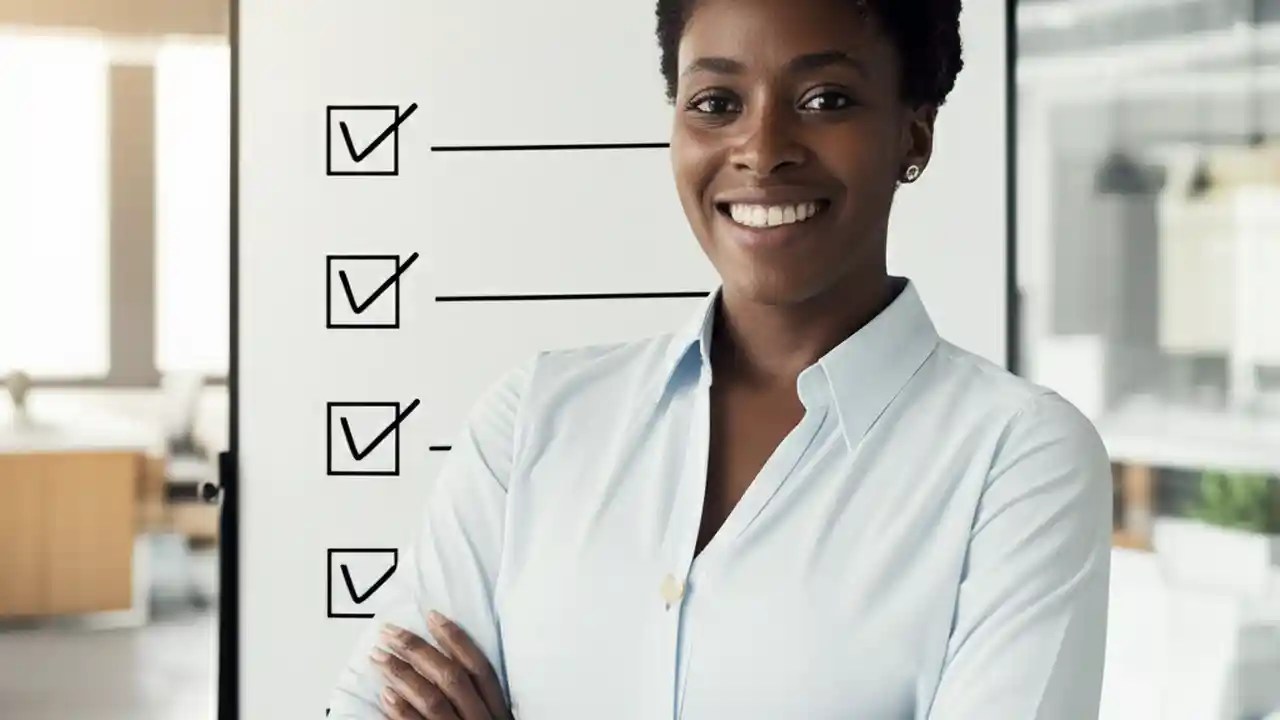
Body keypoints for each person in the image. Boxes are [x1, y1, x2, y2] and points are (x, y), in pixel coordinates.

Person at [326, 0, 1113, 717]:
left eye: (826, 100)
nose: (763, 150)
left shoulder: (1018, 461)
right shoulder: (533, 420)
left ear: (914, 132)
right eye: (716, 104)